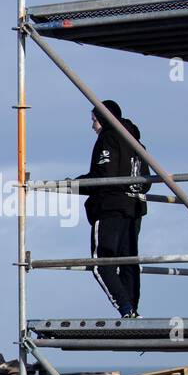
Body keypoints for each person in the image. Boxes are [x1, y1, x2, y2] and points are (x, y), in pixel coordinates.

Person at [78, 100, 149, 318]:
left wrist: (71, 185)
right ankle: (132, 310)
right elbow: (146, 181)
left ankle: (127, 309)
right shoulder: (136, 141)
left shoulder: (109, 138)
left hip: (110, 207)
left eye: (95, 120)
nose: (93, 126)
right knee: (128, 262)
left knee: (102, 263)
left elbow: (103, 177)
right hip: (134, 208)